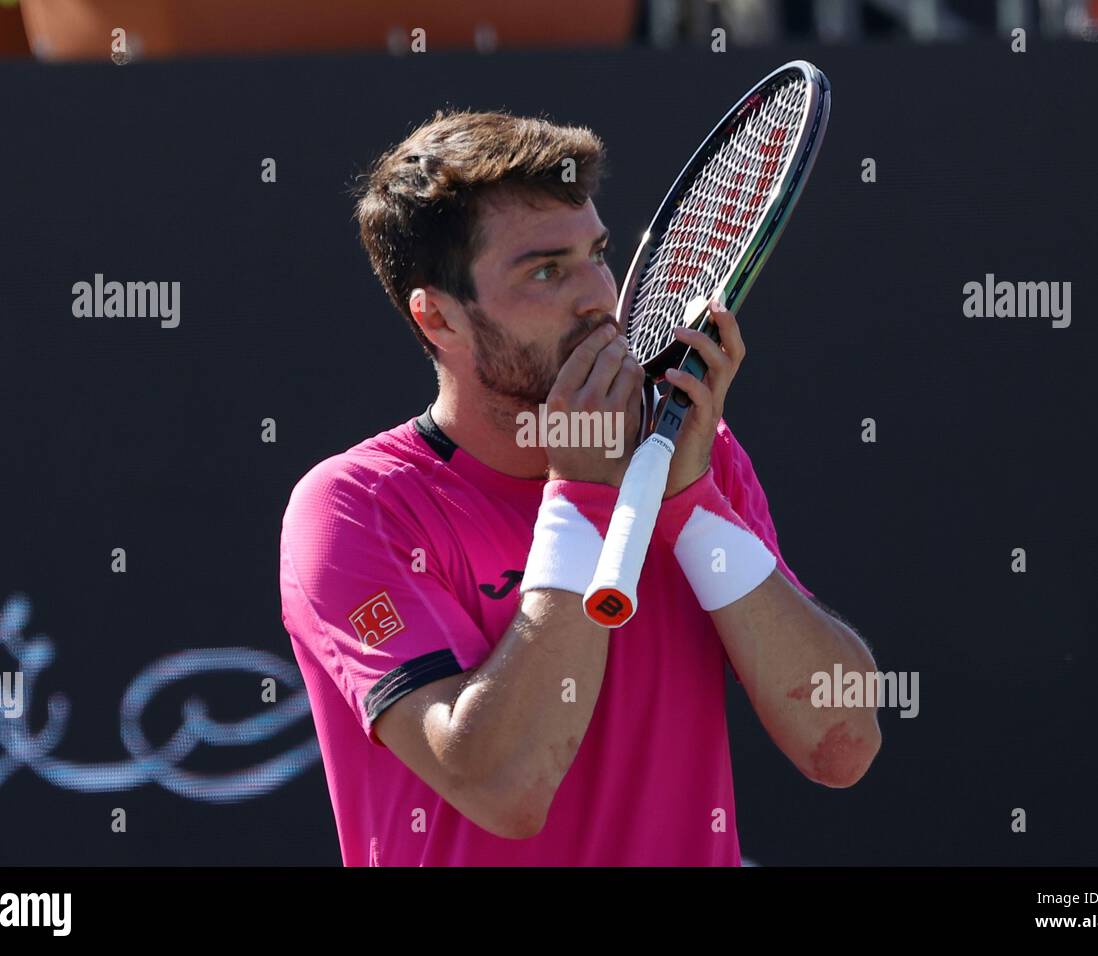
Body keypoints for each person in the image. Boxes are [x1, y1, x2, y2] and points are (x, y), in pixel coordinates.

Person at [279, 109, 880, 866]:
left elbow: (843, 744)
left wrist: (689, 498)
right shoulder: (352, 509)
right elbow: (507, 789)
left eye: (598, 254)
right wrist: (583, 498)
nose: (601, 296)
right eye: (545, 271)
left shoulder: (696, 455)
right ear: (438, 320)